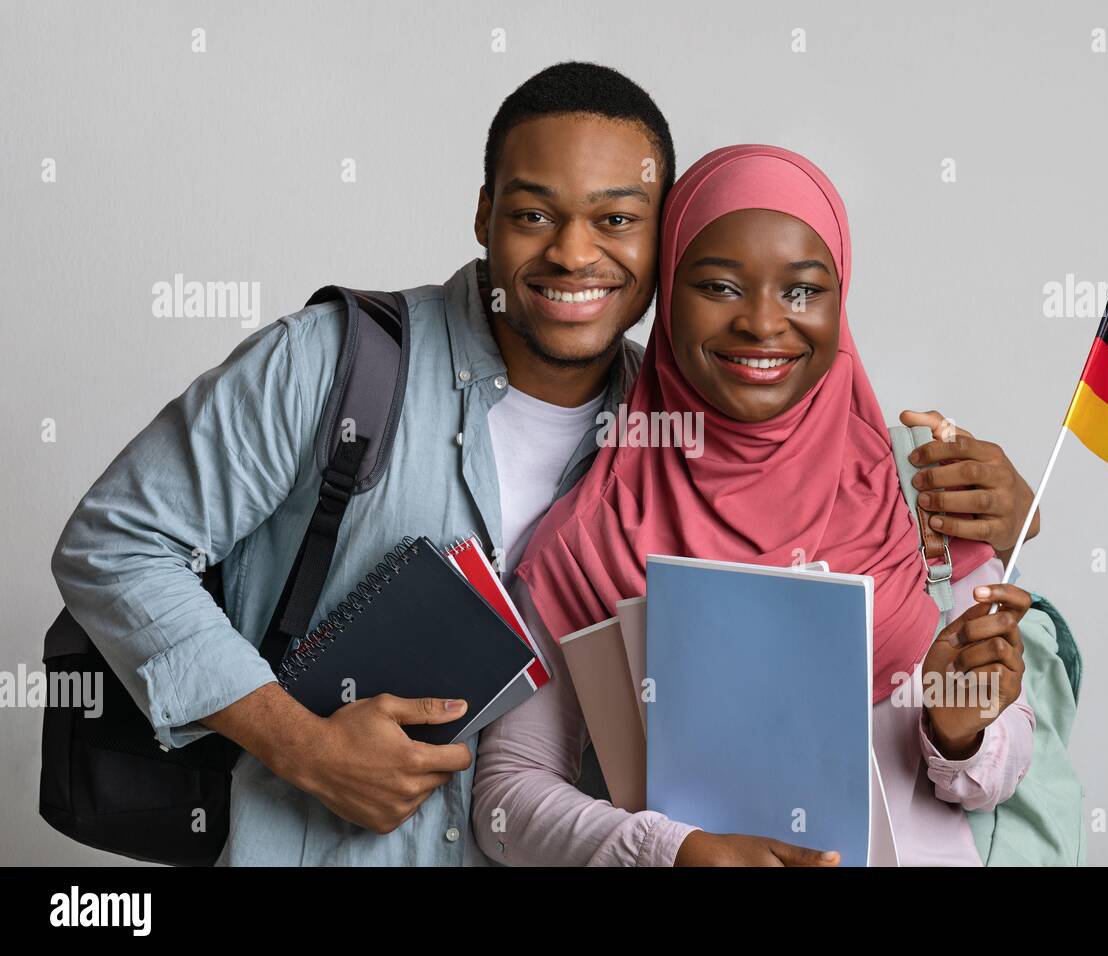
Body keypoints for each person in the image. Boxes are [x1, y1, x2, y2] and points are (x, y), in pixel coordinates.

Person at [51, 62, 1039, 866]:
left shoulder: (683, 432)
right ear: (483, 214)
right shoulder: (335, 363)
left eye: (616, 220)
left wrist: (1016, 515)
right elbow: (115, 541)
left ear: (664, 245)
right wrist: (297, 741)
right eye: (533, 213)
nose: (574, 254)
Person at [471, 145, 1038, 867]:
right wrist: (670, 852)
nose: (764, 324)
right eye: (718, 286)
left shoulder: (925, 486)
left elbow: (997, 770)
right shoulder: (585, 538)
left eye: (803, 290)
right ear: (665, 294)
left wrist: (959, 728)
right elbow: (506, 798)